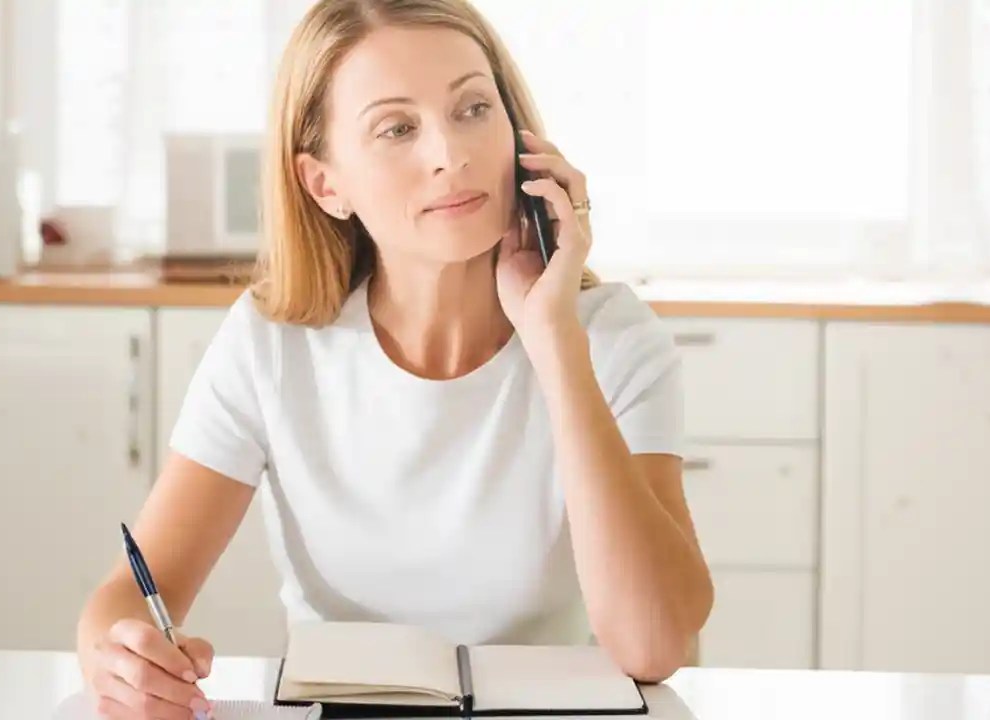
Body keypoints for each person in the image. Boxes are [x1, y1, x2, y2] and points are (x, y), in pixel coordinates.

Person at [77, 1, 714, 717]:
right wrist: (118, 655)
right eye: (398, 128)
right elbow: (131, 591)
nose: (451, 152)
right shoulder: (271, 343)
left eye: (474, 107)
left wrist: (555, 337)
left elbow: (654, 646)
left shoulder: (614, 340)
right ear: (325, 183)